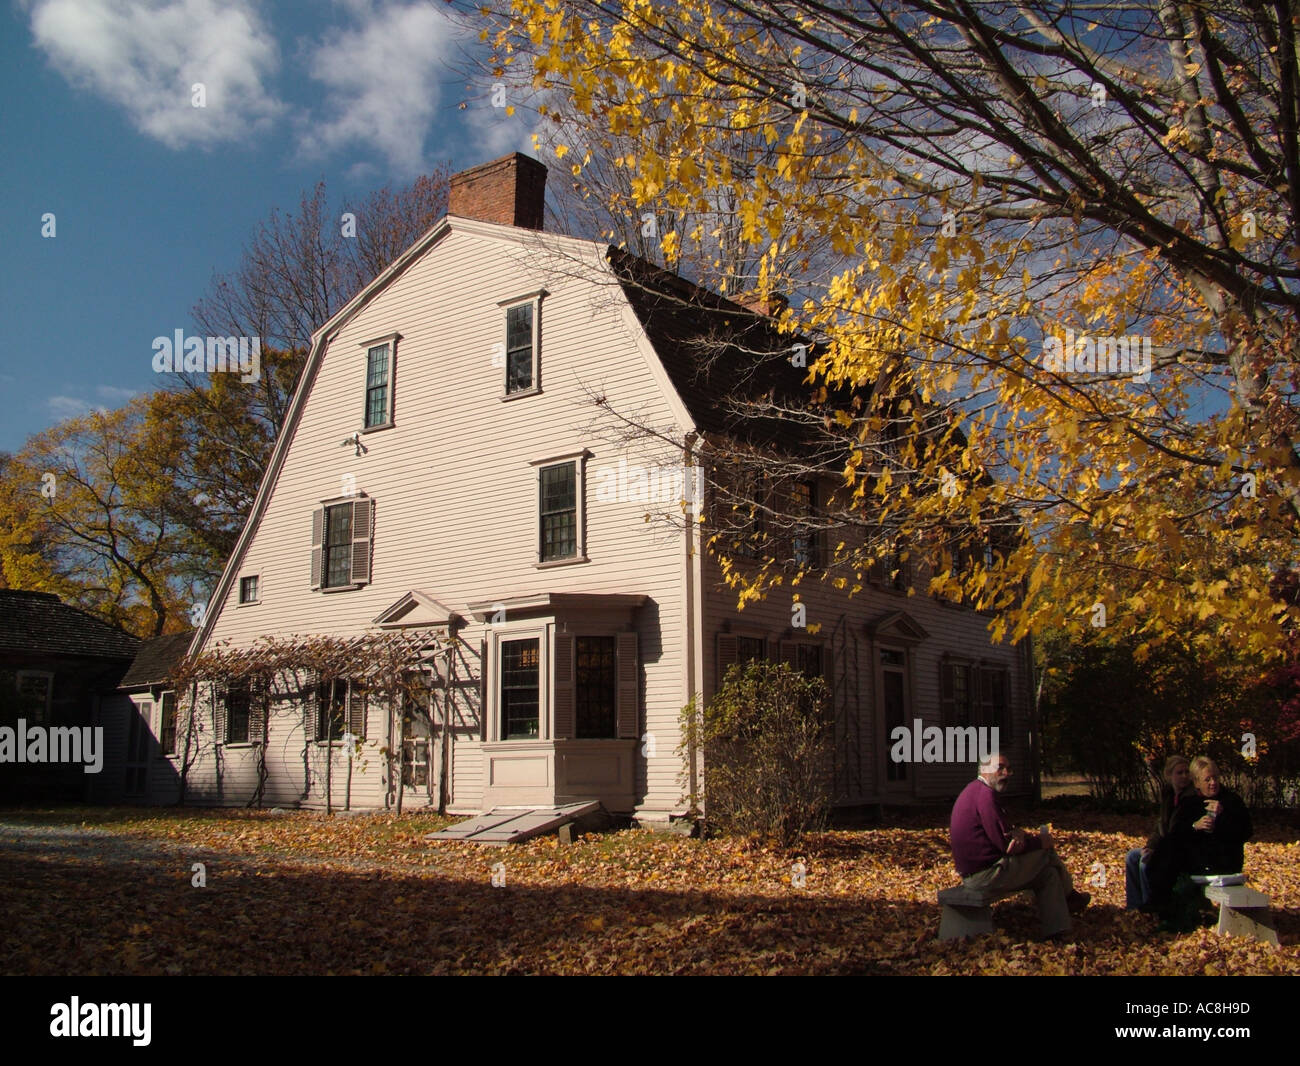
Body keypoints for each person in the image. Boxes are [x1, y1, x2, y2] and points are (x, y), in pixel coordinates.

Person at [950, 752, 1090, 939]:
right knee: (1046, 853)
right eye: (1000, 768)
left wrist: (1019, 835)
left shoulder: (976, 791)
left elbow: (1006, 833)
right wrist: (1040, 841)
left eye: (1009, 769)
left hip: (983, 871)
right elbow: (1007, 844)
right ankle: (1070, 896)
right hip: (983, 876)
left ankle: (1057, 931)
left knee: (1047, 874)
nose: (1006, 773)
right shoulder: (985, 796)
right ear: (984, 770)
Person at [1144, 756, 1253, 925]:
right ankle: (1161, 904)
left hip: (1224, 860)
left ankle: (1164, 906)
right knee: (1166, 850)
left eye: (1215, 778)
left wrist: (1222, 817)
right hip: (1197, 860)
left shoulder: (1231, 801)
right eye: (1207, 779)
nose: (1212, 783)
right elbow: (1175, 832)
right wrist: (1195, 825)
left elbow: (1246, 831)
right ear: (1196, 783)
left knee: (1171, 859)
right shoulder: (1190, 803)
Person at [1124, 755, 1194, 909]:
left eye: (1186, 772)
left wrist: (1155, 850)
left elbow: (1175, 834)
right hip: (1163, 846)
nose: (1184, 776)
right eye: (1179, 773)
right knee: (1132, 856)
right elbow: (1160, 826)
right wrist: (1150, 845)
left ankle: (1150, 905)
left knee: (1145, 863)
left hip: (1178, 851)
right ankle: (1134, 906)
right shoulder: (1169, 795)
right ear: (1169, 775)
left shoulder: (1190, 798)